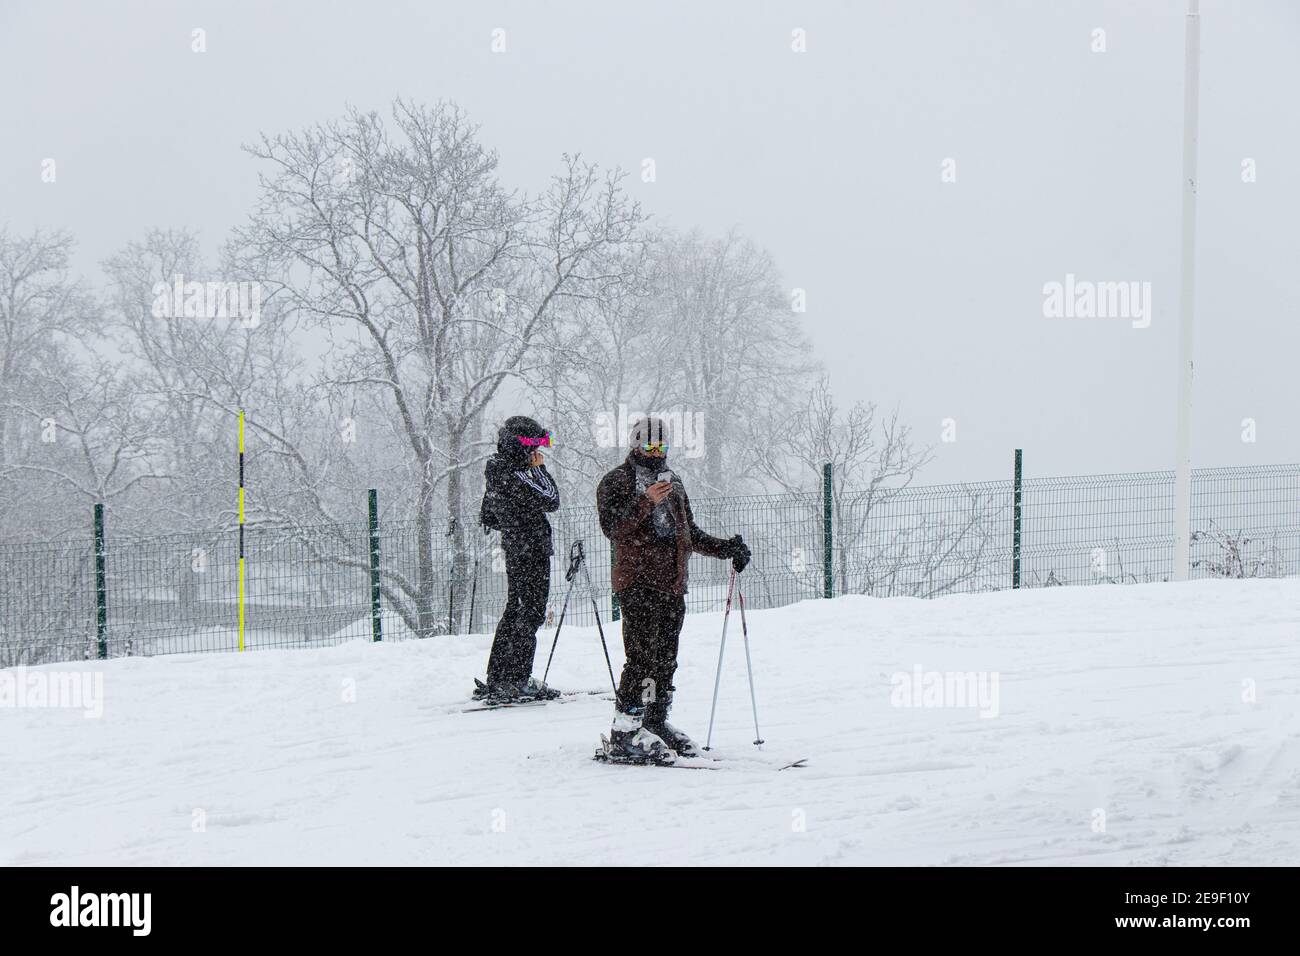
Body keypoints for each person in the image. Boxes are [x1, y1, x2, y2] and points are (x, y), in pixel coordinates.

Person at [596, 416, 751, 763]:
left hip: (672, 585)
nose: (656, 451)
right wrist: (646, 501)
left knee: (666, 659)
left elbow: (688, 534)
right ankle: (625, 729)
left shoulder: (675, 482)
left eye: (661, 445)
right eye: (648, 445)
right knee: (642, 658)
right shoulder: (616, 481)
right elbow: (614, 529)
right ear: (635, 445)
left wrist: (727, 548)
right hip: (638, 583)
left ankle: (655, 720)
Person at [475, 416, 562, 703]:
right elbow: (551, 499)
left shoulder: (497, 471)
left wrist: (513, 524)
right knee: (531, 612)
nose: (537, 451)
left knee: (516, 609)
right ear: (519, 445)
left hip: (515, 549)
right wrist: (540, 470)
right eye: (533, 445)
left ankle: (498, 677)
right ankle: (516, 679)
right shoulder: (518, 473)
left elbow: (488, 515)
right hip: (531, 550)